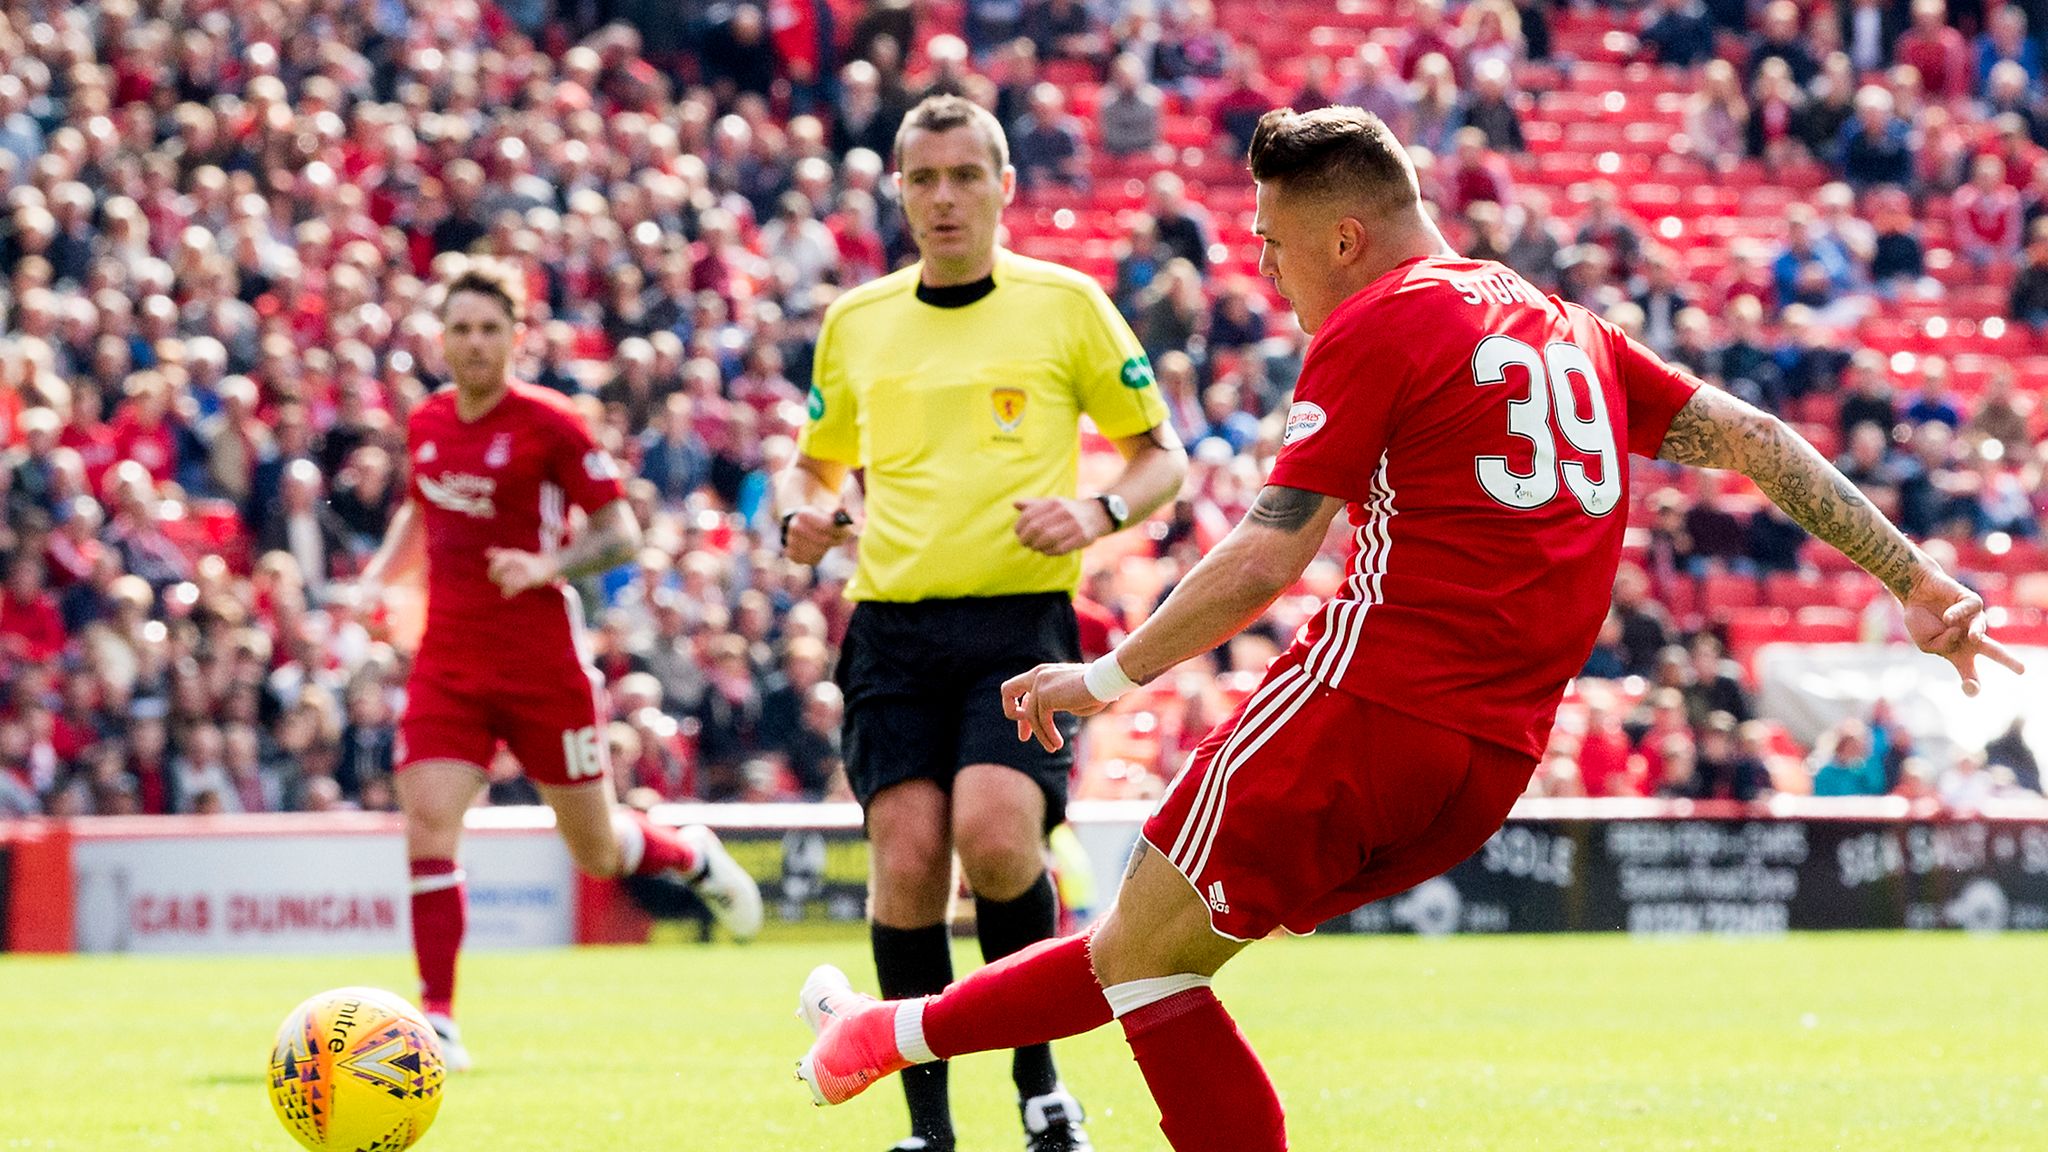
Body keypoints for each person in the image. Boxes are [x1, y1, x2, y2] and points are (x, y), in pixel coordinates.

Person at [790, 106, 2023, 1151]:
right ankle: (875, 1040)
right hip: (1488, 767)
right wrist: (1911, 578)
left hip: (1362, 709)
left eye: (1273, 244)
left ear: (1343, 234)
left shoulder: (1378, 322)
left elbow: (1272, 548)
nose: (1264, 271)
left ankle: (872, 1040)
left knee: (1134, 952)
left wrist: (1108, 675)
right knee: (1158, 961)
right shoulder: (1561, 325)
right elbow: (1753, 438)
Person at [775, 94, 1187, 1152]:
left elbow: (1160, 456)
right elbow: (816, 462)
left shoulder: (1065, 304)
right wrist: (804, 514)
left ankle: (1040, 1088)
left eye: (965, 176)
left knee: (998, 837)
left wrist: (1093, 511)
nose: (944, 197)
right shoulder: (856, 320)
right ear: (899, 192)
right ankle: (927, 1125)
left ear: (1004, 188)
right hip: (891, 629)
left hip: (1016, 625)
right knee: (908, 856)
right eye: (924, 178)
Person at [356, 258, 762, 1072]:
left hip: (542, 667)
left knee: (598, 852)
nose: (474, 343)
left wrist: (548, 566)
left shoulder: (551, 423)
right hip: (448, 664)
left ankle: (690, 854)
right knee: (428, 824)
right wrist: (379, 578)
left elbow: (619, 534)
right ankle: (439, 1018)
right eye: (461, 328)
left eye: (489, 329)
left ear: (516, 337)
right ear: (442, 337)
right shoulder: (429, 421)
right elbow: (420, 506)